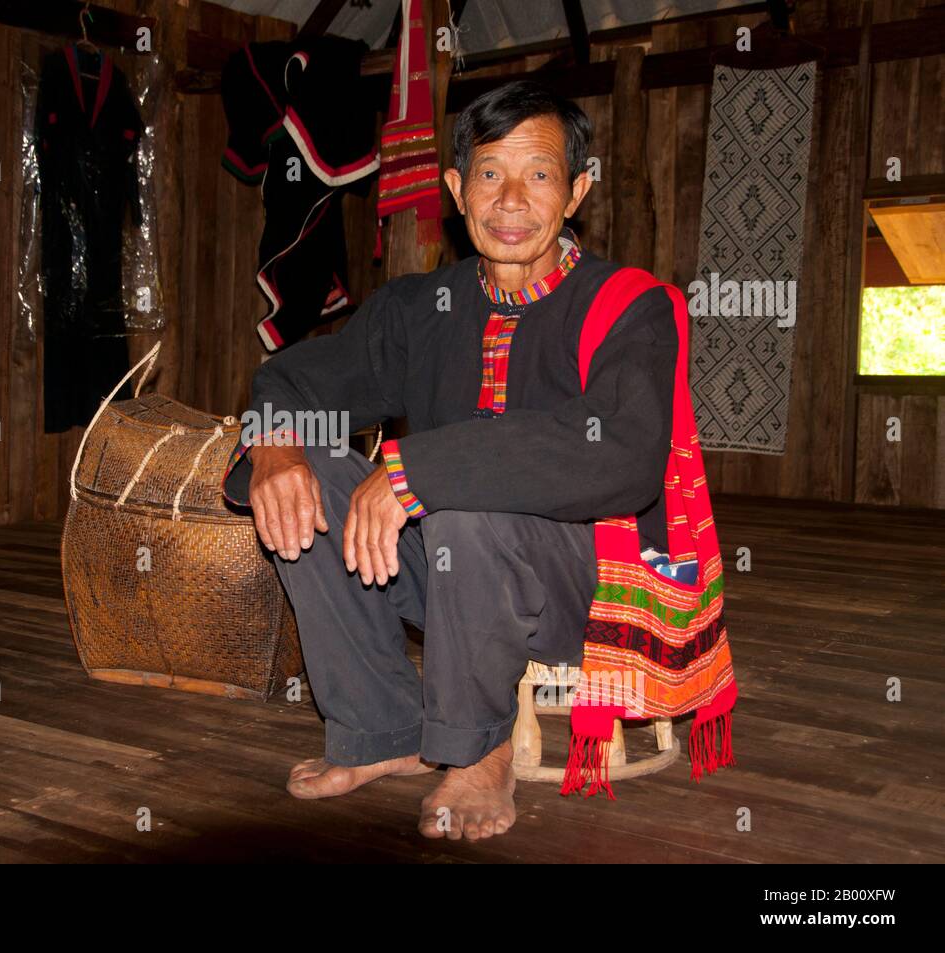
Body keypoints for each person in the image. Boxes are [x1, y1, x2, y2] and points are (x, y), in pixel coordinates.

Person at [220, 80, 680, 840]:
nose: (510, 200)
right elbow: (299, 380)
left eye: (539, 175)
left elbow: (625, 453)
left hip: (580, 586)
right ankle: (382, 729)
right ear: (457, 189)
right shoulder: (417, 307)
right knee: (318, 479)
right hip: (443, 576)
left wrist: (419, 469)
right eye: (490, 174)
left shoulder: (628, 305)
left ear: (577, 193)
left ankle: (478, 748)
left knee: (465, 504)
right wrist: (274, 446)